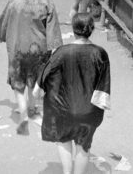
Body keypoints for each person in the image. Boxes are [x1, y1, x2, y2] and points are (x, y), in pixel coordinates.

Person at [0, 0, 63, 135]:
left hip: (17, 48)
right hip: (39, 49)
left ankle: (23, 113)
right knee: (34, 81)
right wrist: (54, 49)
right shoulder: (47, 2)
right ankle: (32, 110)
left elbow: (5, 19)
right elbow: (53, 32)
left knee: (18, 81)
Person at [38, 13, 111, 174]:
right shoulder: (100, 54)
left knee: (63, 140)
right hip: (89, 111)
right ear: (91, 29)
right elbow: (104, 85)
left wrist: (38, 94)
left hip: (63, 109)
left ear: (73, 29)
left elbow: (44, 77)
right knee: (83, 146)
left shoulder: (62, 52)